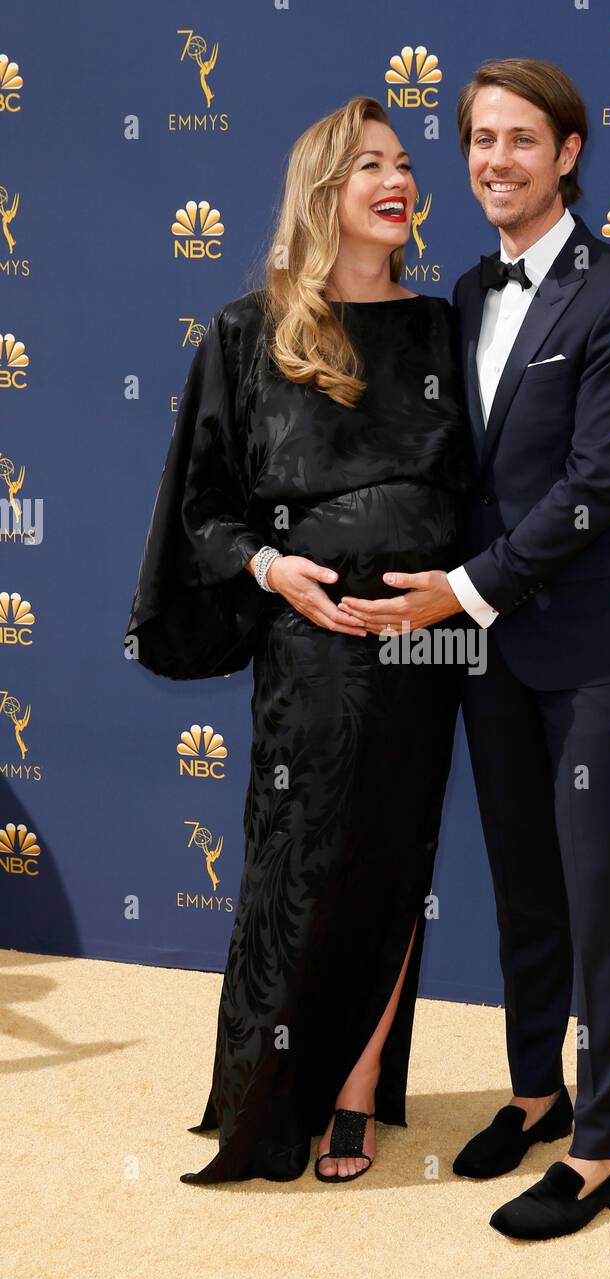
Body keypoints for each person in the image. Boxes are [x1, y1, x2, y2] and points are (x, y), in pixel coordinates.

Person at [338, 60, 610, 1237]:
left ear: (569, 153)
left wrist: (466, 592)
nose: (494, 162)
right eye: (479, 141)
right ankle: (538, 1089)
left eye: (520, 141)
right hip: (488, 653)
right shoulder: (468, 295)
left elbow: (594, 484)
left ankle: (604, 1146)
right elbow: (472, 465)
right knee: (524, 890)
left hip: (589, 648)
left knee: (598, 896)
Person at [124, 96, 476, 1184]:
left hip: (424, 639)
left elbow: (501, 469)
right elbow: (204, 506)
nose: (400, 180)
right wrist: (274, 569)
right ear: (323, 190)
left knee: (396, 849)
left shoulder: (441, 329)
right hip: (312, 644)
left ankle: (360, 1087)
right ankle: (274, 1087)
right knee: (301, 853)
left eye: (409, 164)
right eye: (371, 163)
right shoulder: (251, 331)